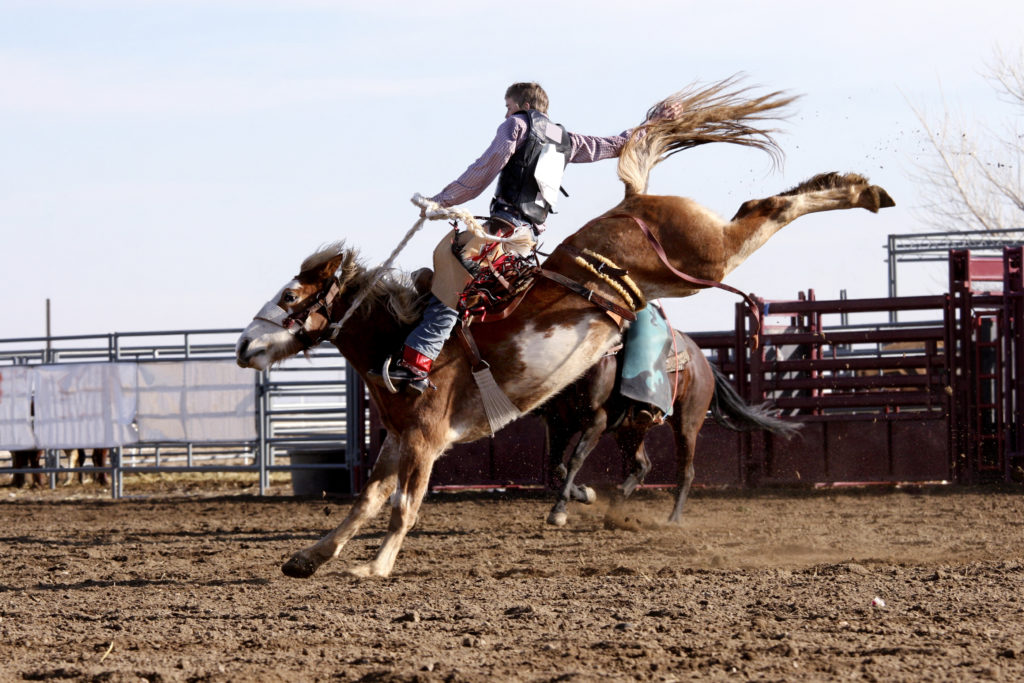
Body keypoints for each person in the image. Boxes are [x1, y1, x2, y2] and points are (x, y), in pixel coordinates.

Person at [371, 82, 655, 394]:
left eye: (508, 106)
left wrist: (442, 200)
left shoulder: (517, 125)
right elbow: (615, 144)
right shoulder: (567, 140)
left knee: (452, 282)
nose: (505, 112)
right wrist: (655, 125)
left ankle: (415, 363)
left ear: (522, 105)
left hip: (504, 229)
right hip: (528, 241)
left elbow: (485, 168)